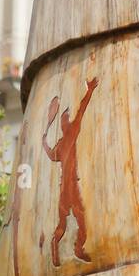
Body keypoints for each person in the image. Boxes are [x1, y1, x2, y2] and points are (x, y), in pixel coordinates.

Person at [42, 77, 99, 266]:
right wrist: (89, 91)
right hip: (70, 186)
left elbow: (51, 155)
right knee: (76, 219)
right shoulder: (70, 134)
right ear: (65, 124)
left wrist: (44, 142)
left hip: (65, 186)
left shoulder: (61, 142)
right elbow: (82, 110)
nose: (69, 119)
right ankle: (73, 247)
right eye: (66, 118)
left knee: (66, 222)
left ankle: (63, 245)